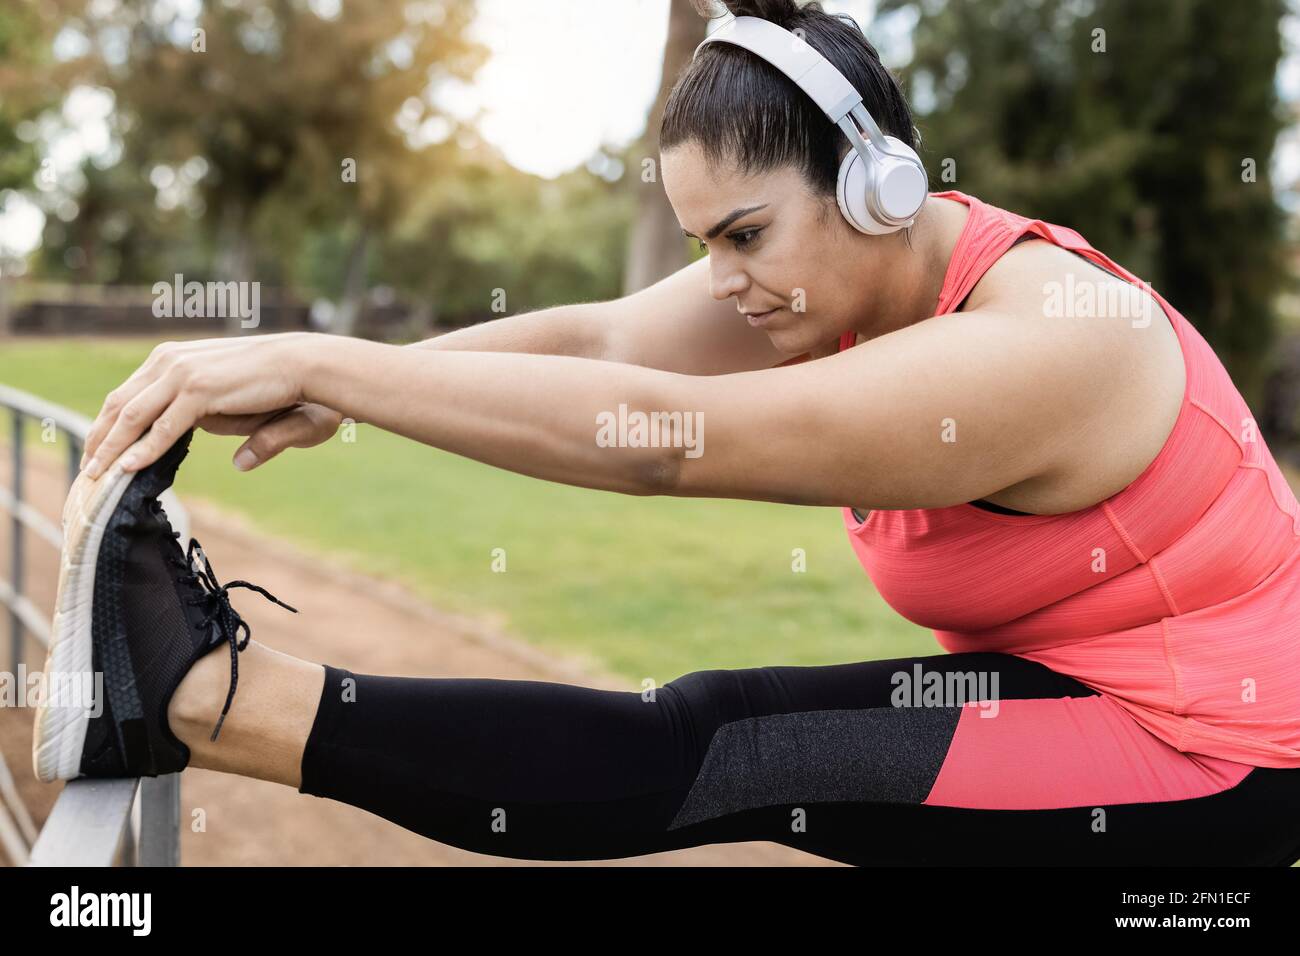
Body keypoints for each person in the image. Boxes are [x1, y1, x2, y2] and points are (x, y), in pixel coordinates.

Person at [45, 0, 1300, 865]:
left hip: (1215, 745)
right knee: (734, 734)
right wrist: (350, 390)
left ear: (881, 185)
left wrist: (325, 356)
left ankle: (207, 702)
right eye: (701, 241)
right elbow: (602, 342)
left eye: (743, 234)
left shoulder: (1048, 342)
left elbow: (663, 440)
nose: (722, 279)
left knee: (732, 743)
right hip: (1082, 681)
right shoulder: (835, 280)